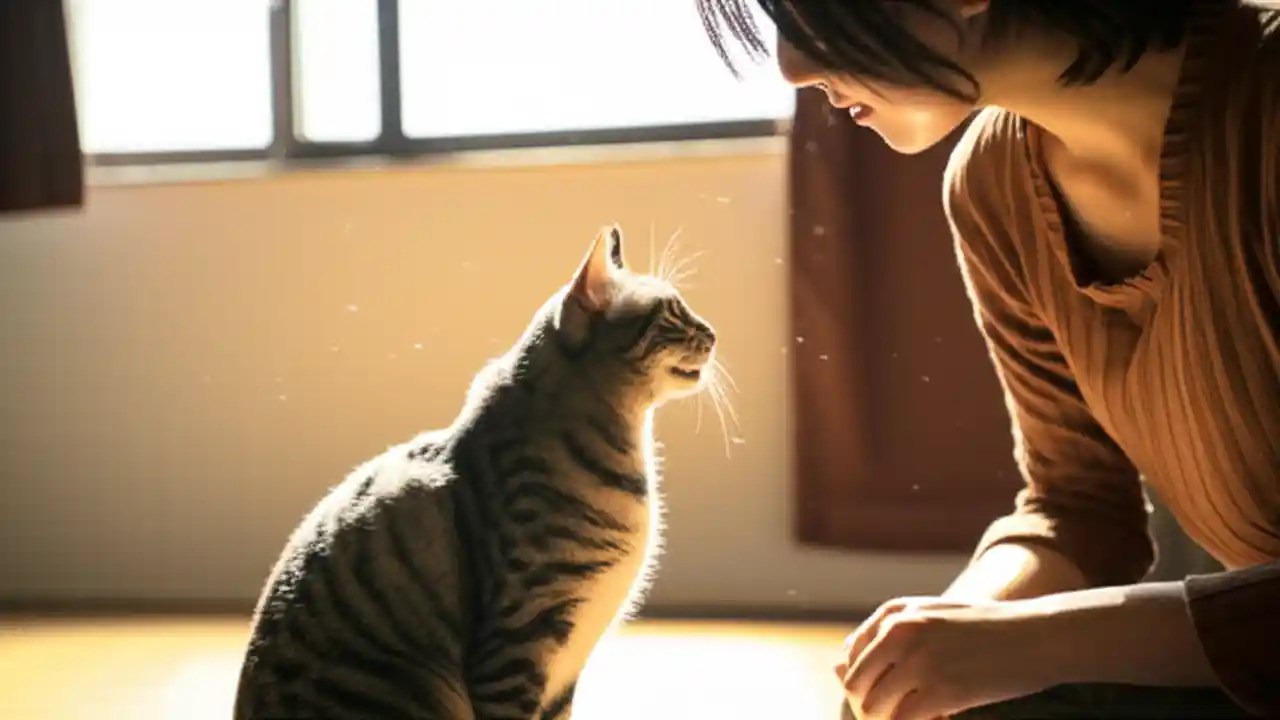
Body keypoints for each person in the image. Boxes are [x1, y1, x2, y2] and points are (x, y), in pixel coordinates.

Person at [700, 1, 1278, 718]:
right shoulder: (994, 184)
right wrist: (932, 645)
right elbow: (1079, 511)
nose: (793, 67)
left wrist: (1030, 641)